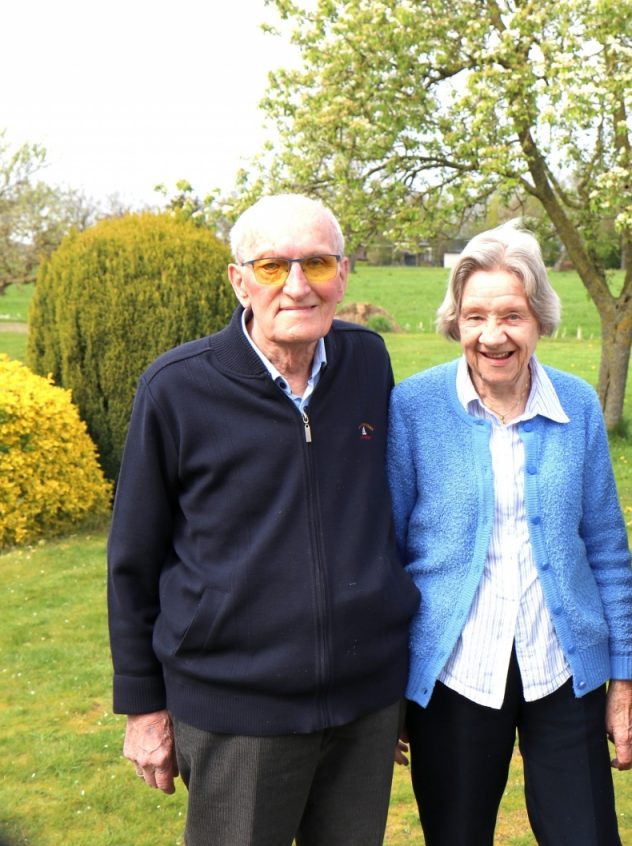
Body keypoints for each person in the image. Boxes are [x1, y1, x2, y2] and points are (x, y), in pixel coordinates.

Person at [107, 194, 420, 846]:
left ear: (346, 271)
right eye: (274, 267)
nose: (299, 286)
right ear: (239, 279)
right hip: (236, 714)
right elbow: (133, 560)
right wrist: (143, 707)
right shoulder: (177, 389)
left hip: (365, 706)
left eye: (318, 263)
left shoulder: (367, 362)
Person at [387, 221, 632, 845]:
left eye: (512, 316)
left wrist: (624, 678)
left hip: (563, 669)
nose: (492, 335)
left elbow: (607, 548)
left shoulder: (576, 406)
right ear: (455, 322)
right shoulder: (414, 408)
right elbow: (384, 556)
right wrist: (388, 688)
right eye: (475, 316)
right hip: (454, 675)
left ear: (539, 321)